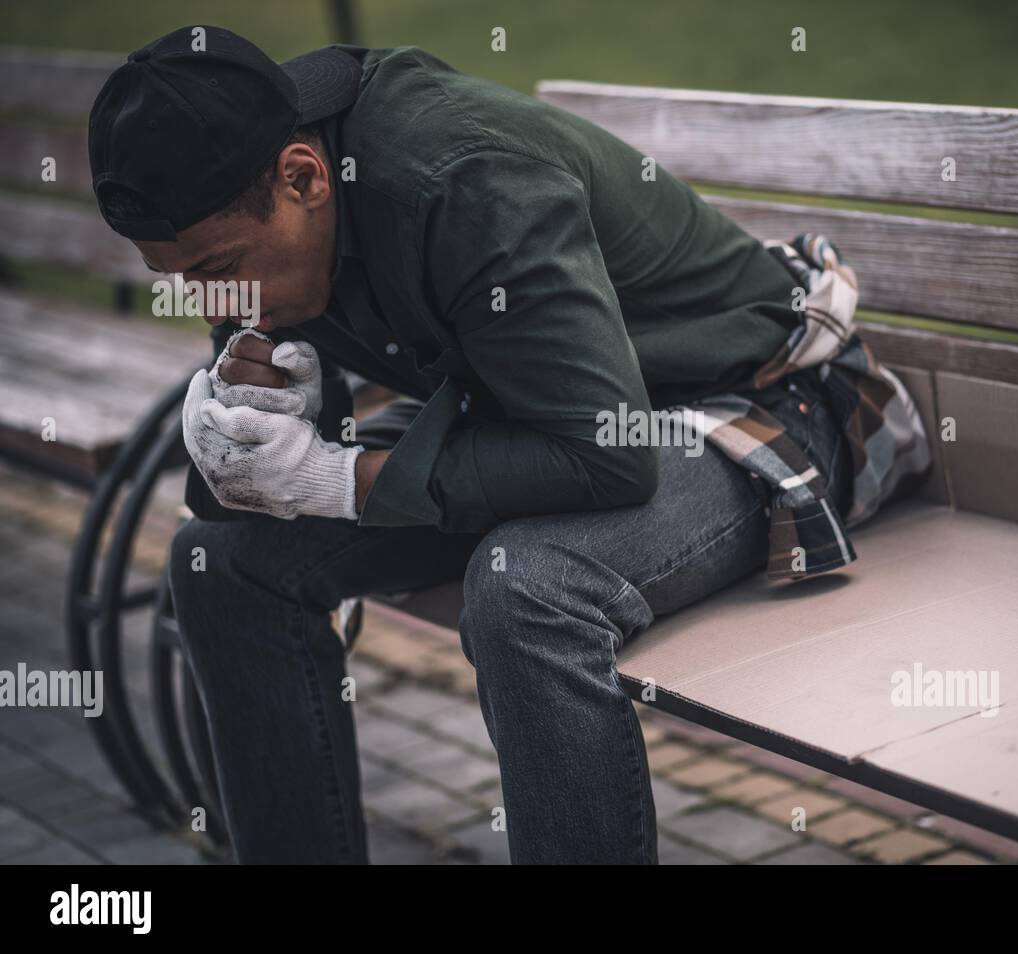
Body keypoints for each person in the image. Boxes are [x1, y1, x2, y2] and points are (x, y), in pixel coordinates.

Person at [88, 24, 930, 863]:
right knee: (224, 562)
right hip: (527, 407)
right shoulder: (257, 180)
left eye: (214, 269)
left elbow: (604, 455)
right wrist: (244, 441)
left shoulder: (463, 179)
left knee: (524, 591)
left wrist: (334, 477)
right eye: (181, 278)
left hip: (748, 403)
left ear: (303, 177)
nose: (211, 304)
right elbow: (291, 459)